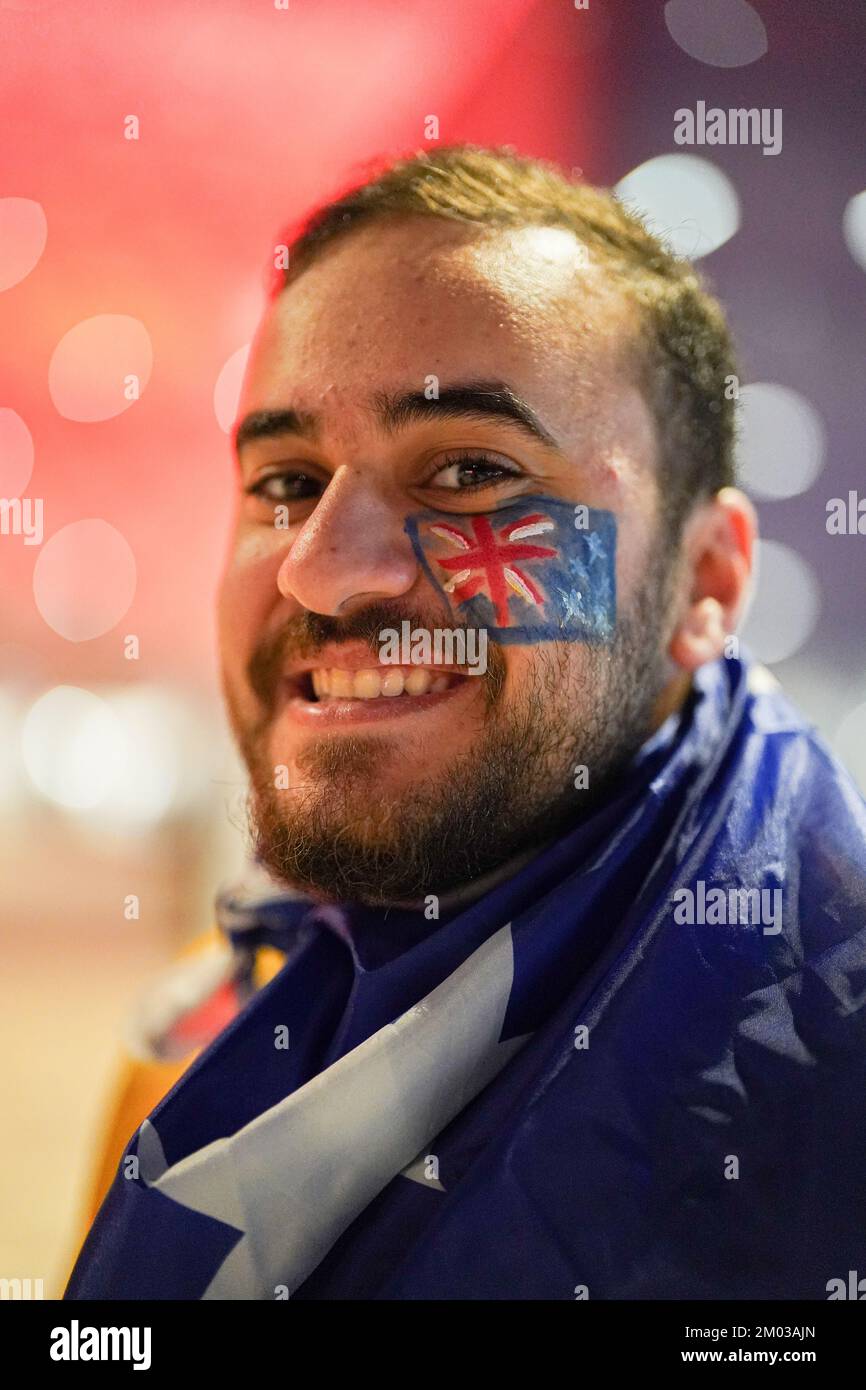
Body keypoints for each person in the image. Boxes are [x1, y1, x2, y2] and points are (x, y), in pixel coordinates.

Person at [65, 145, 866, 1301]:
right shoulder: (211, 1030)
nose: (323, 574)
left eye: (469, 470)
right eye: (286, 481)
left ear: (705, 584)